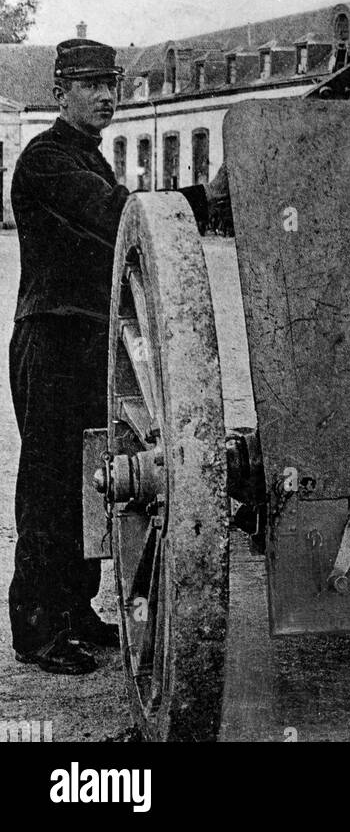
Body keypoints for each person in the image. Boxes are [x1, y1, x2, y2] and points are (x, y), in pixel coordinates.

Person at [8, 37, 230, 675]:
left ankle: (75, 612)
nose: (106, 95)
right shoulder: (45, 159)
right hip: (50, 340)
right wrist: (204, 197)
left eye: (111, 84)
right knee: (49, 487)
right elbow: (114, 217)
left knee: (88, 481)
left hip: (86, 342)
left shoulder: (88, 158)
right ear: (60, 92)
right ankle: (37, 630)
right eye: (89, 85)